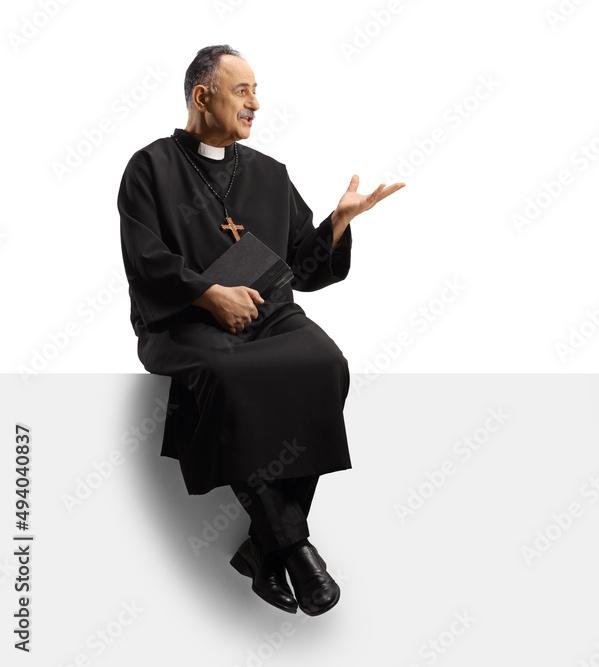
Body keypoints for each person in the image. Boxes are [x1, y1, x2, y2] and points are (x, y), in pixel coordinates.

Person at [118, 45, 403, 616]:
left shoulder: (270, 174)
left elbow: (305, 262)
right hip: (186, 319)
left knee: (325, 364)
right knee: (228, 376)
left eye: (256, 91)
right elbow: (143, 257)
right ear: (203, 96)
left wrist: (338, 223)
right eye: (242, 90)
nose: (255, 104)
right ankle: (293, 548)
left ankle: (264, 548)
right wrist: (208, 293)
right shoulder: (151, 167)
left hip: (268, 313)